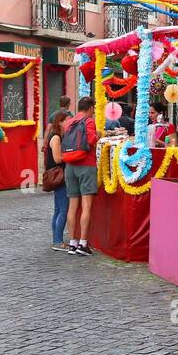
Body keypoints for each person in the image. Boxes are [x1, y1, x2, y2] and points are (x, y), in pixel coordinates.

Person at [62, 96, 99, 256]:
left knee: (72, 206)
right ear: (90, 107)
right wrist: (98, 134)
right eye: (93, 108)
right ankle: (83, 243)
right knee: (86, 206)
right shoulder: (89, 121)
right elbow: (90, 140)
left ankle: (72, 242)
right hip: (86, 165)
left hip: (70, 166)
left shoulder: (69, 121)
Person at [45, 110, 71, 251]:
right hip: (59, 176)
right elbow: (57, 159)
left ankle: (56, 238)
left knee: (58, 209)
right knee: (62, 209)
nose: (69, 122)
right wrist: (71, 155)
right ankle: (58, 241)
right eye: (67, 120)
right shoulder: (55, 138)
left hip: (58, 176)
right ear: (60, 121)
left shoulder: (58, 136)